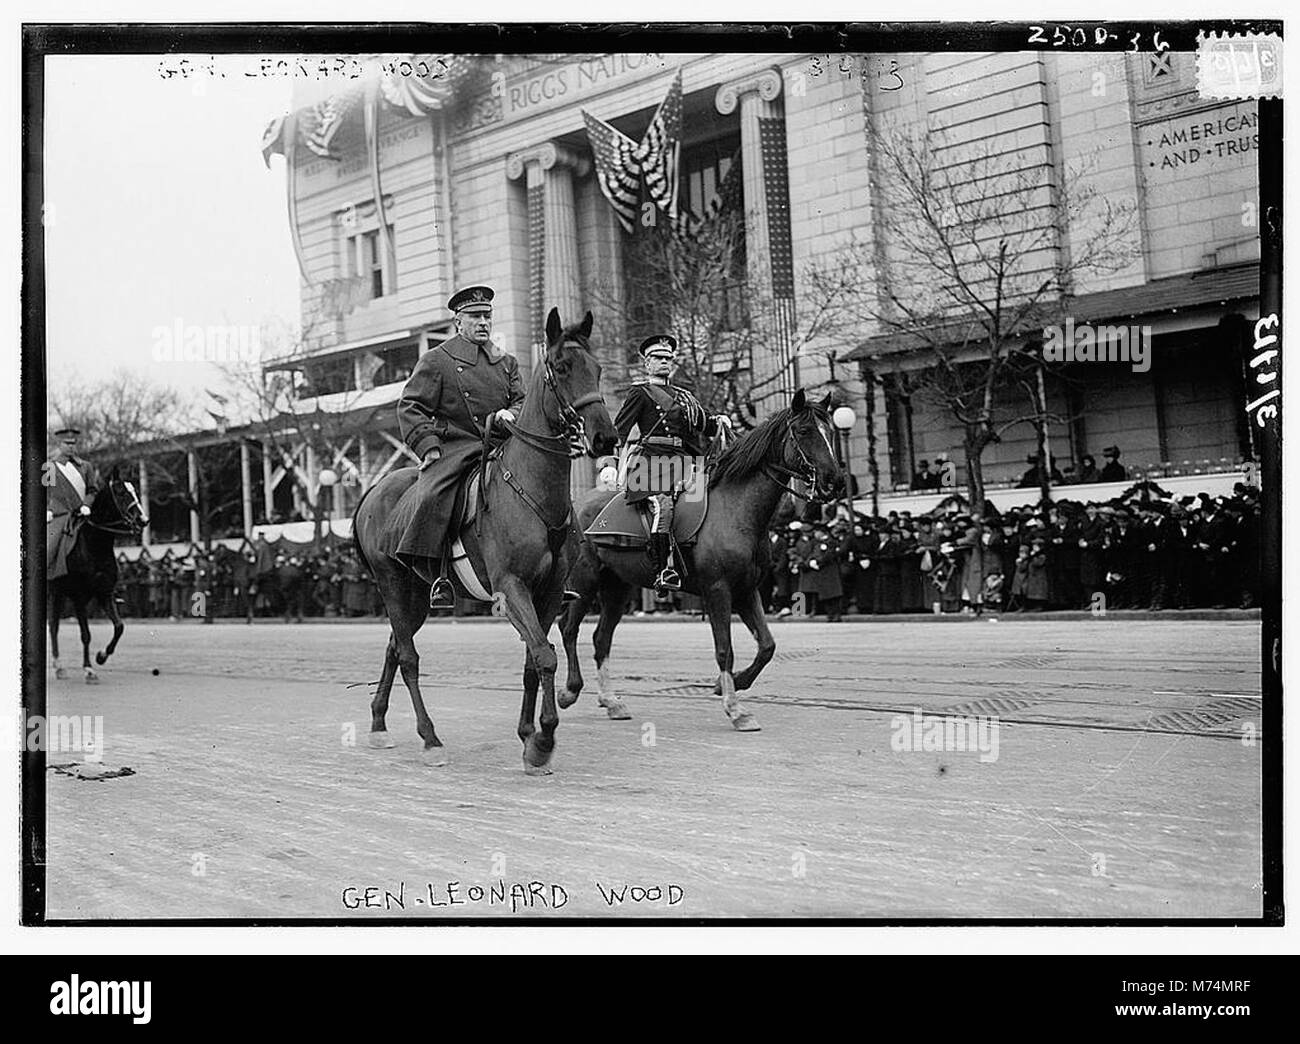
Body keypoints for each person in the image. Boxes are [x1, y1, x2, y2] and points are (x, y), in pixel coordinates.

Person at [381, 285, 525, 609]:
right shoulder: (438, 360)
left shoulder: (507, 363)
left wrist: (510, 414)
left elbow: (522, 401)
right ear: (458, 321)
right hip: (457, 446)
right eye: (474, 317)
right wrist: (429, 446)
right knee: (435, 495)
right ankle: (439, 574)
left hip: (502, 444)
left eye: (487, 316)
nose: (483, 322)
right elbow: (411, 406)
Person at [615, 334, 730, 593]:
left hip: (685, 463)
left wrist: (720, 421)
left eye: (669, 358)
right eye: (658, 358)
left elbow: (705, 425)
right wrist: (610, 465)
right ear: (646, 363)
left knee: (712, 500)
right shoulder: (640, 392)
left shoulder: (685, 396)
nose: (665, 362)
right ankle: (663, 569)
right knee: (663, 505)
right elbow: (620, 431)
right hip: (650, 464)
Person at [45, 427, 102, 582]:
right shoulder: (49, 466)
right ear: (59, 444)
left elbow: (93, 490)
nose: (71, 446)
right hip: (59, 516)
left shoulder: (86, 466)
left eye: (73, 443)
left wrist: (87, 505)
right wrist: (47, 510)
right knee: (48, 549)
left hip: (82, 515)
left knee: (102, 544)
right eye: (66, 443)